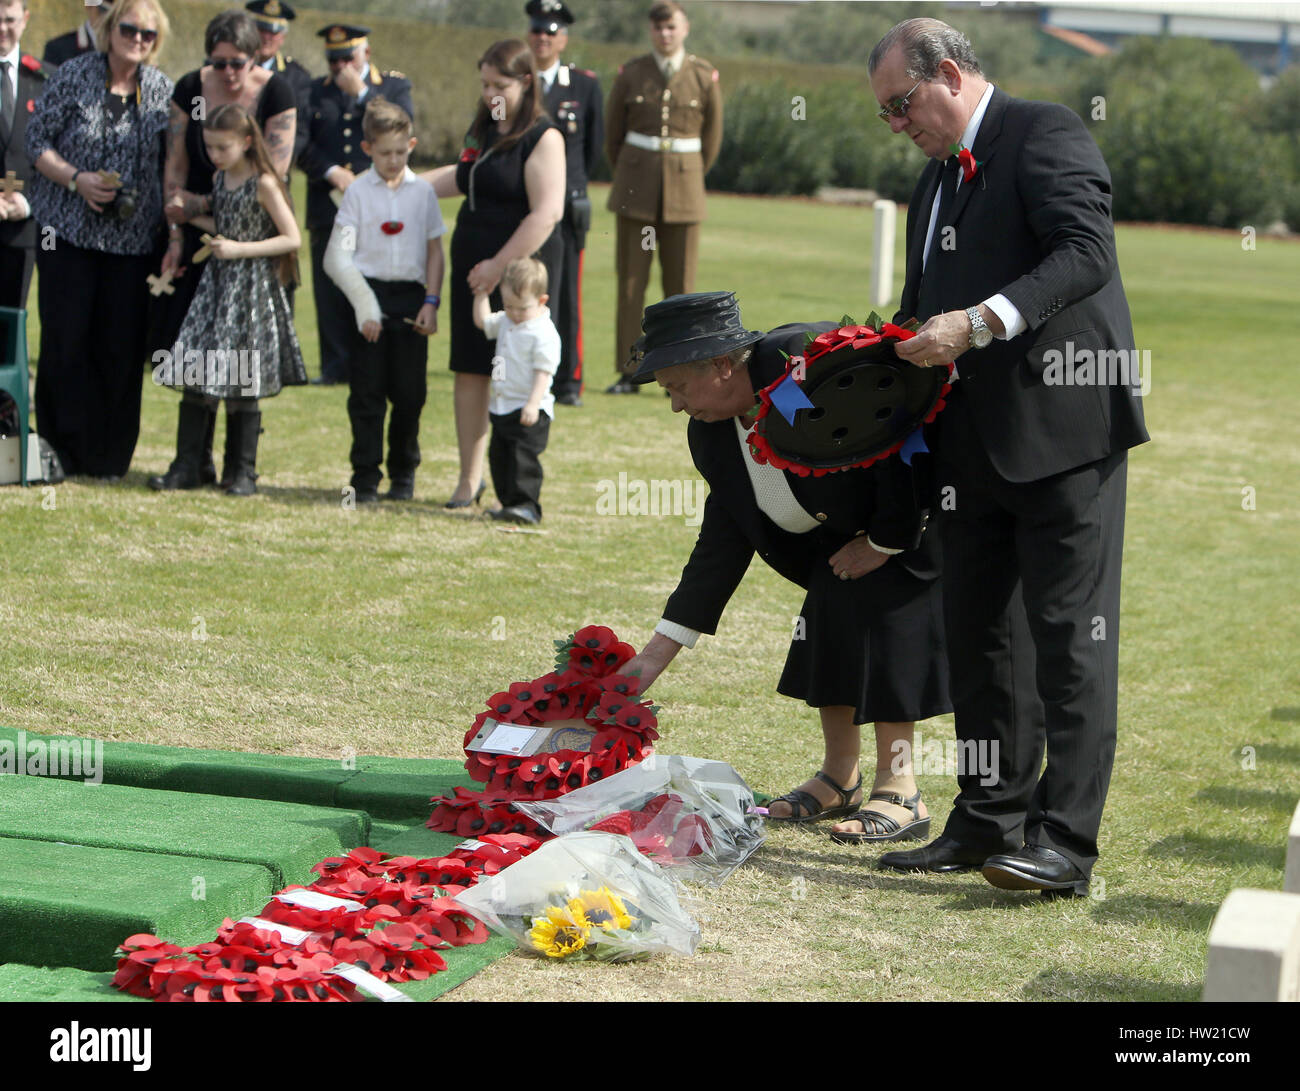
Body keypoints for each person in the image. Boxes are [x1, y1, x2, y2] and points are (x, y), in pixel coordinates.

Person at [867, 18, 1149, 896]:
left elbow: (1085, 255)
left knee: (1069, 639)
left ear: (948, 74)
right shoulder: (933, 182)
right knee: (981, 639)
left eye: (901, 105)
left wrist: (980, 321)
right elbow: (921, 308)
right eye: (885, 113)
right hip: (968, 446)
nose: (897, 125)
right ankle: (988, 816)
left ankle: (1065, 842)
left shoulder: (1046, 130)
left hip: (1064, 434)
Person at [621, 292, 951, 840]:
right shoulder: (710, 430)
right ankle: (838, 778)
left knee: (890, 633)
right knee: (829, 627)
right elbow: (722, 540)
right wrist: (655, 655)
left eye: (677, 387)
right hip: (834, 540)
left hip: (909, 522)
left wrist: (888, 541)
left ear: (723, 366)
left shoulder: (806, 369)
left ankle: (902, 790)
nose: (676, 404)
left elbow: (897, 436)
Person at [150, 8, 298, 489]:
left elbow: (272, 192)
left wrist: (229, 231)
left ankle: (241, 469)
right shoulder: (192, 91)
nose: (229, 72)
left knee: (242, 367)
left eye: (239, 62)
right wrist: (183, 221)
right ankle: (190, 463)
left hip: (250, 262)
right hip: (207, 250)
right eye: (219, 63)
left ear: (256, 57)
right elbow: (176, 163)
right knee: (196, 356)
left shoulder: (275, 95)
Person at [27, 0, 172, 480]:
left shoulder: (161, 91)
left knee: (121, 349)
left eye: (148, 35)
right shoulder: (73, 74)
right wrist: (76, 180)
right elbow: (37, 142)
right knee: (66, 343)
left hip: (132, 244)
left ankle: (109, 458)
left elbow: (172, 165)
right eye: (129, 29)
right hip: (67, 233)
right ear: (110, 30)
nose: (138, 40)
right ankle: (59, 452)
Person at [421, 39, 564, 509]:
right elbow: (462, 179)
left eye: (498, 85)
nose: (489, 94)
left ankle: (518, 491)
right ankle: (469, 480)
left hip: (519, 274)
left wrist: (497, 270)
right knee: (470, 368)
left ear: (526, 81)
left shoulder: (544, 137)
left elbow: (546, 214)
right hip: (473, 268)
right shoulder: (482, 128)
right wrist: (406, 183)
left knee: (516, 376)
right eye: (483, 84)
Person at [322, 97, 444, 504]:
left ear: (411, 145)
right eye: (384, 152)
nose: (393, 160)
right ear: (367, 149)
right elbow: (337, 257)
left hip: (411, 299)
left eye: (400, 151)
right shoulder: (357, 193)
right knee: (367, 393)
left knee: (410, 393)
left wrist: (431, 302)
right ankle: (365, 476)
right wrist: (365, 306)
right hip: (368, 295)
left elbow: (434, 252)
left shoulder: (423, 193)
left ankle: (404, 473)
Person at [604, 1, 721, 395]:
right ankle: (629, 369)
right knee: (631, 285)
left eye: (670, 27)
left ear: (684, 27)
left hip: (684, 193)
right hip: (637, 193)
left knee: (681, 289)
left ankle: (678, 372)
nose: (664, 34)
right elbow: (612, 138)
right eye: (657, 28)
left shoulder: (703, 76)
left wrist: (688, 177)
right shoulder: (631, 73)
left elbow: (712, 140)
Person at [299, 23, 413, 386]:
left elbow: (402, 131)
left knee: (373, 282)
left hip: (377, 206)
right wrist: (331, 172)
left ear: (366, 53)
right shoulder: (314, 92)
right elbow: (300, 143)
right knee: (329, 287)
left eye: (347, 57)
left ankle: (373, 362)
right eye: (333, 59)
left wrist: (363, 94)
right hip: (328, 205)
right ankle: (335, 366)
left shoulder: (393, 87)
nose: (340, 66)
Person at [525, 0, 602, 408]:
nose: (543, 38)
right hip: (522, 206)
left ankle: (568, 380)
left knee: (566, 294)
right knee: (522, 289)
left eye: (551, 32)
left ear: (563, 39)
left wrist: (568, 189)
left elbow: (591, 150)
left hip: (568, 206)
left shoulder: (584, 85)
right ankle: (523, 371)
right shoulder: (514, 81)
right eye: (537, 30)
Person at [473, 256, 560, 525]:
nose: (513, 313)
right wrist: (481, 295)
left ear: (542, 300)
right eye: (508, 305)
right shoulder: (508, 321)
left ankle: (527, 506)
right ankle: (508, 502)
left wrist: (533, 404)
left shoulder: (543, 333)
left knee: (523, 460)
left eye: (521, 308)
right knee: (500, 457)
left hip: (530, 408)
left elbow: (543, 373)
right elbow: (483, 322)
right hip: (502, 406)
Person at [0, 0, 54, 310]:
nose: (2, 28)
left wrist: (29, 200)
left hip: (24, 228)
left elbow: (62, 153)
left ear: (25, 19)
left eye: (10, 19)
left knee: (11, 332)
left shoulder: (46, 80)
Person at [245, 0, 312, 164]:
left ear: (282, 37)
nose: (266, 37)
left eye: (273, 32)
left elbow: (301, 130)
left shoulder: (297, 77)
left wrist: (271, 162)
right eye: (261, 29)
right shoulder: (230, 67)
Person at [42, 0, 114, 68]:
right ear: (89, 5)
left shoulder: (122, 49)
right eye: (103, 11)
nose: (108, 18)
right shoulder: (58, 49)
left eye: (114, 14)